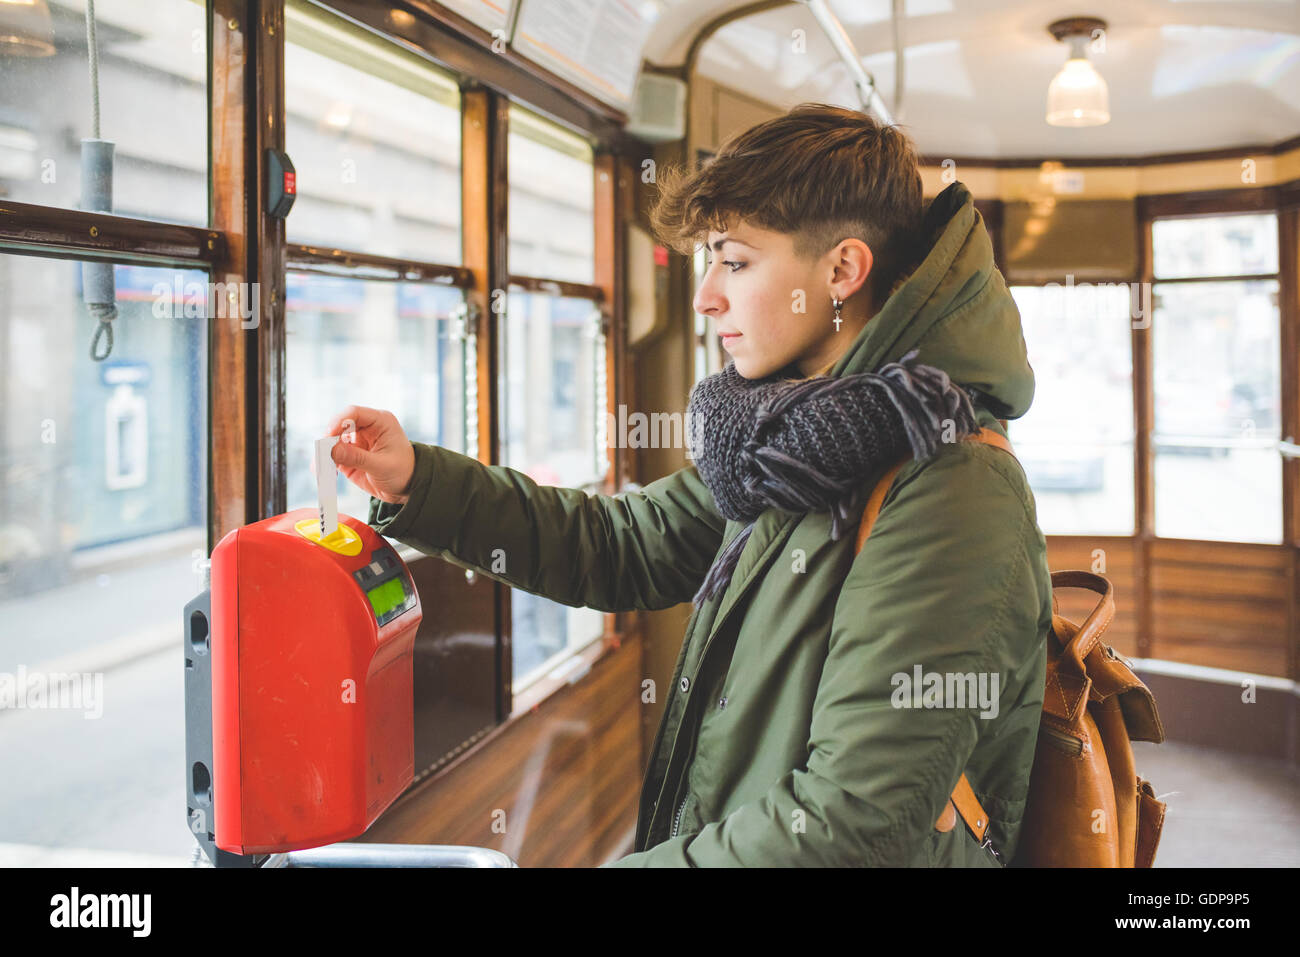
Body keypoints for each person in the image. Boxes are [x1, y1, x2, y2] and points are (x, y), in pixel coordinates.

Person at [328, 102, 1053, 867]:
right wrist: (420, 482)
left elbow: (852, 823)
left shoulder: (954, 489)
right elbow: (622, 543)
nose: (706, 296)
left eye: (734, 261)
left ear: (842, 270)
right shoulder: (797, 442)